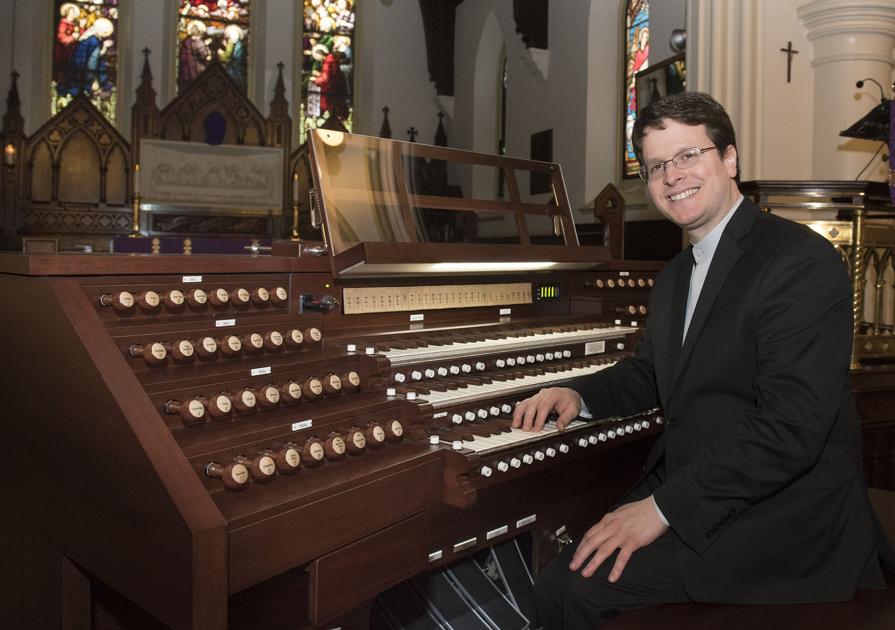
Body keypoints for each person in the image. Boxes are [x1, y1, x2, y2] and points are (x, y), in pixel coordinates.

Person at [512, 91, 893, 629]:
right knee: (559, 578)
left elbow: (791, 428)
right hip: (711, 490)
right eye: (657, 165)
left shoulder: (799, 260)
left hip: (782, 519)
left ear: (730, 159)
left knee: (575, 590)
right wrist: (580, 393)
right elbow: (653, 372)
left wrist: (662, 510)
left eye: (689, 155)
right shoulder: (674, 276)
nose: (673, 176)